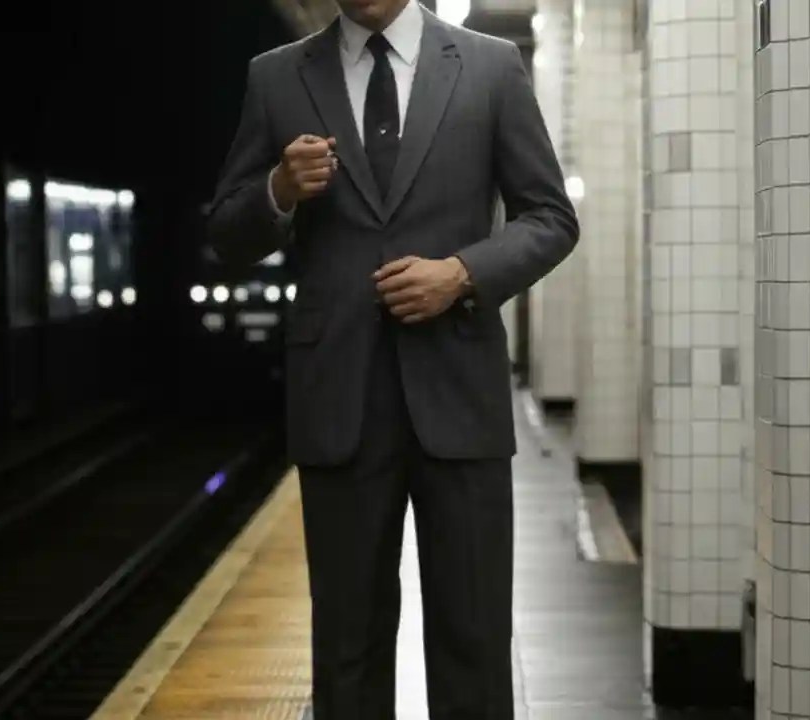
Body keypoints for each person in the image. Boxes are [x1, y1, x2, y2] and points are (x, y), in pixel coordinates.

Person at [204, 0, 578, 716]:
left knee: (474, 639)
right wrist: (278, 190)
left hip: (459, 393)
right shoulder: (277, 77)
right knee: (347, 645)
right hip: (339, 398)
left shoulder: (490, 67)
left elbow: (551, 218)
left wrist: (462, 274)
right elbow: (227, 231)